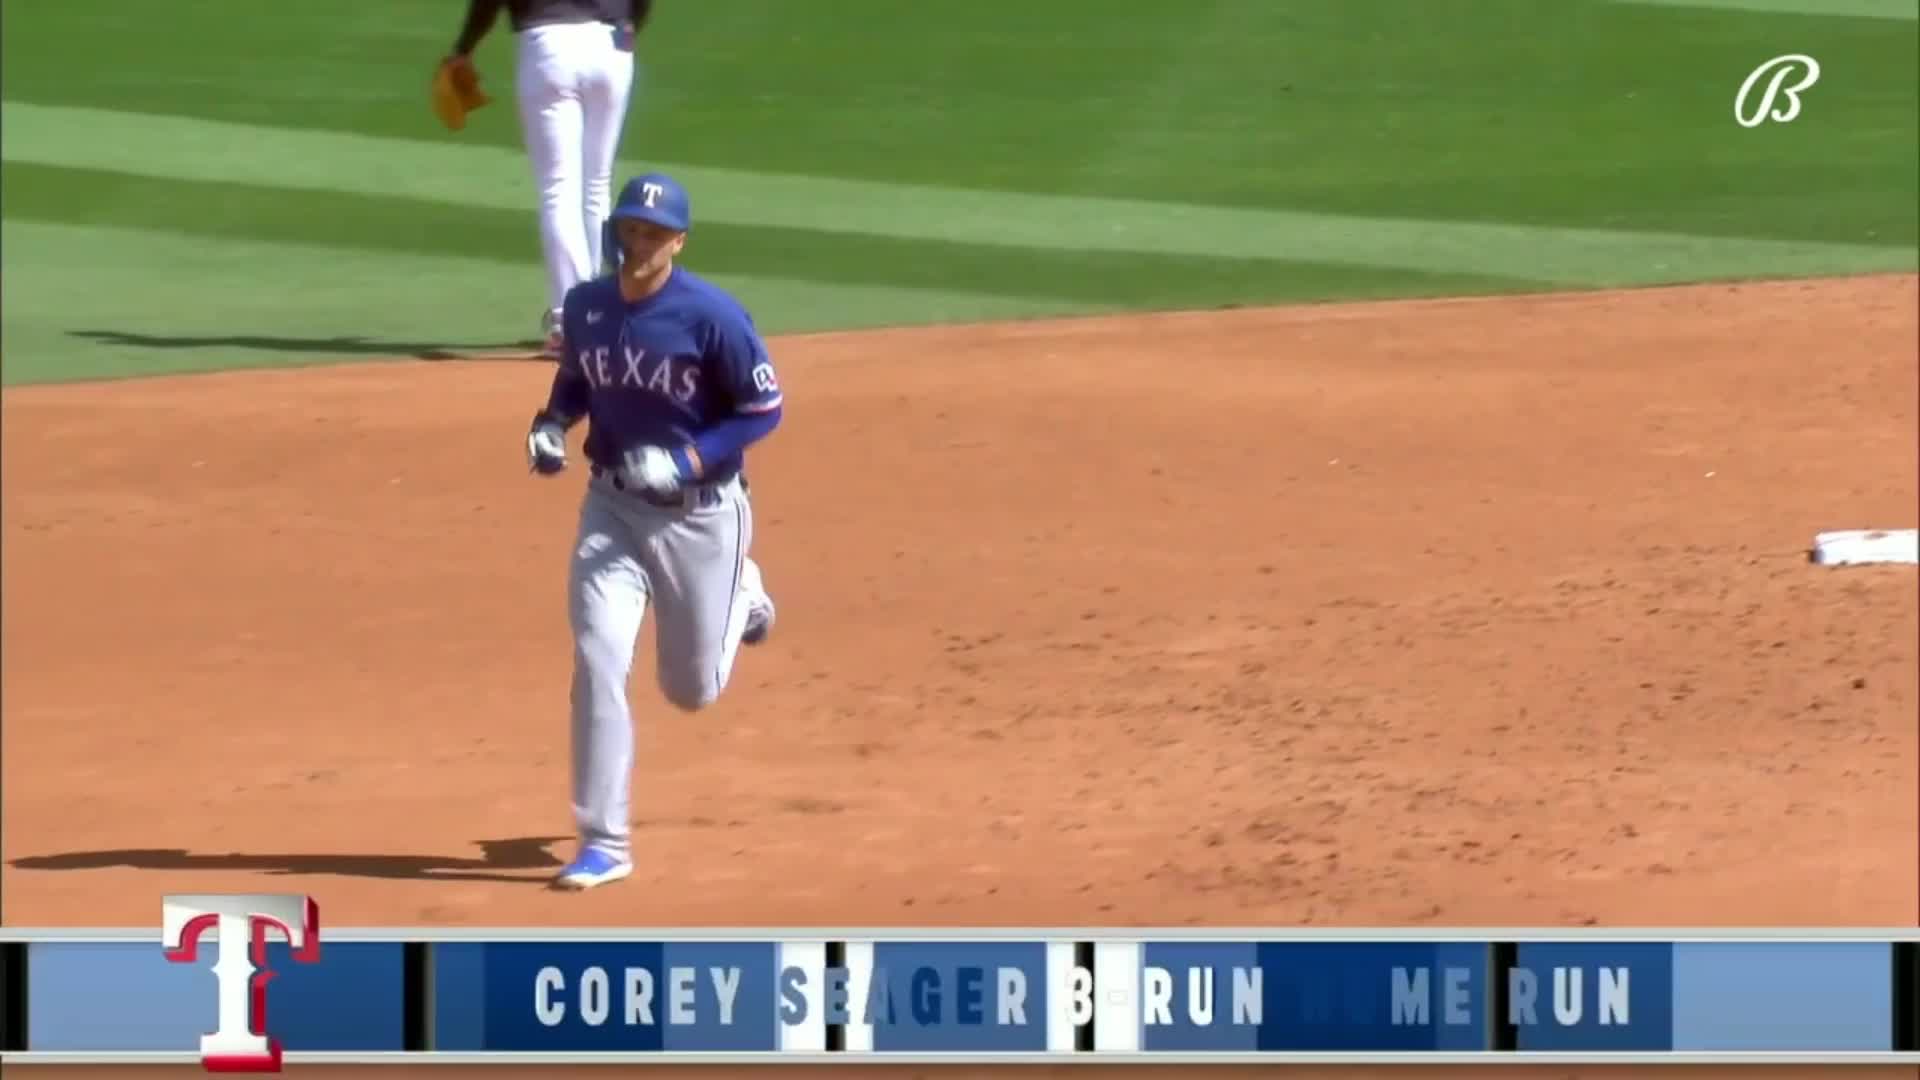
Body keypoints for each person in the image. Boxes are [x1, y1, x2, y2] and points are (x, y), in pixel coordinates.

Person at [525, 172, 781, 890]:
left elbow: (763, 410)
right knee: (599, 659)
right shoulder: (586, 306)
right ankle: (604, 841)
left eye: (652, 233)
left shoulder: (713, 318)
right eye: (629, 229)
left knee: (692, 690)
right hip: (610, 511)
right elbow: (578, 379)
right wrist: (550, 425)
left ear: (678, 242)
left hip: (703, 515)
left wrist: (688, 459)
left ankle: (744, 593)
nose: (637, 244)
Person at [443, 0, 653, 357]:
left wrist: (464, 49)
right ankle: (603, 313)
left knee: (559, 189)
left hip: (549, 46)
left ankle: (570, 321)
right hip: (612, 46)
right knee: (596, 184)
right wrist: (632, 25)